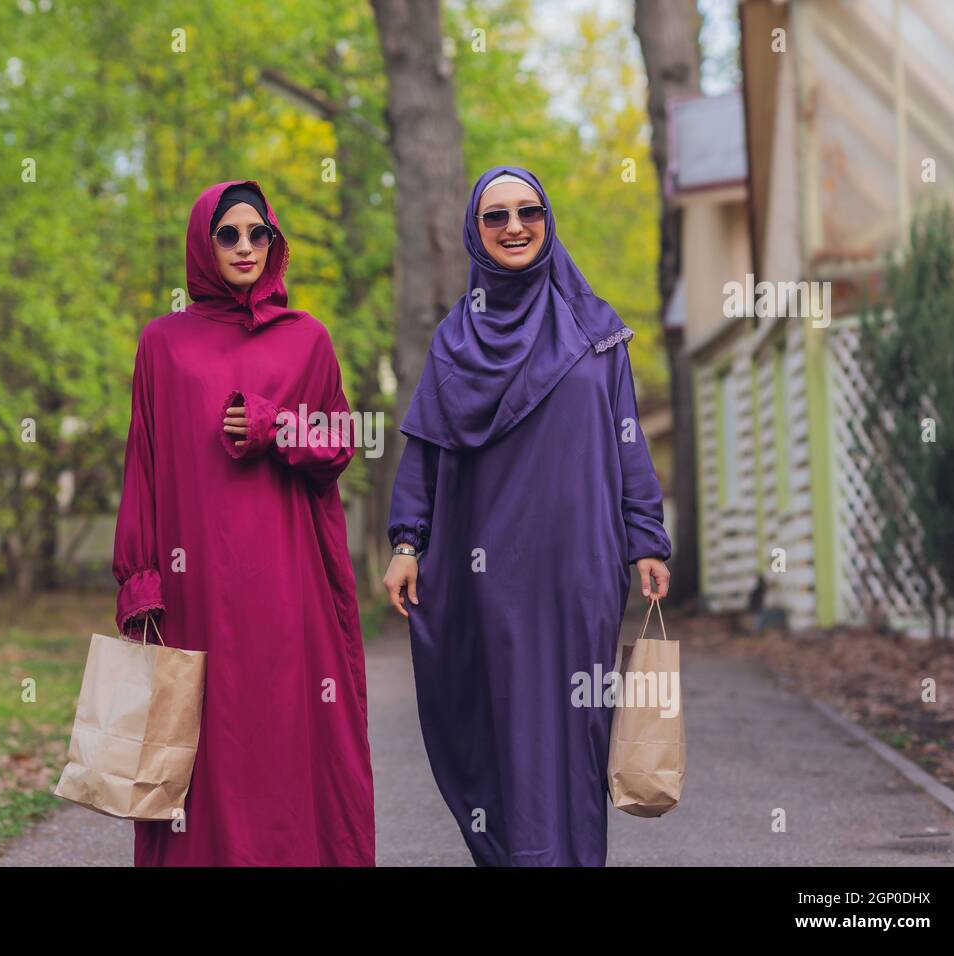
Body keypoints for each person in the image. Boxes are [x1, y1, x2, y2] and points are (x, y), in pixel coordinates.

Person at [383, 165, 671, 866]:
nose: (515, 226)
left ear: (547, 220)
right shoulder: (455, 340)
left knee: (575, 730)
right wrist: (406, 541)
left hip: (580, 565)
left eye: (529, 211)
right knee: (501, 724)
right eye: (496, 216)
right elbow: (426, 447)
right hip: (488, 570)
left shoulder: (594, 327)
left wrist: (646, 538)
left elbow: (627, 435)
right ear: (475, 234)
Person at [113, 180, 375, 866]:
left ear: (274, 241)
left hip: (290, 591)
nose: (245, 247)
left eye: (258, 234)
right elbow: (142, 465)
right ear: (204, 245)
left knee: (286, 741)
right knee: (199, 753)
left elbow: (339, 443)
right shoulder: (163, 345)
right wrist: (139, 581)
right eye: (228, 235)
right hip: (194, 590)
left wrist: (274, 425)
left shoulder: (307, 340)